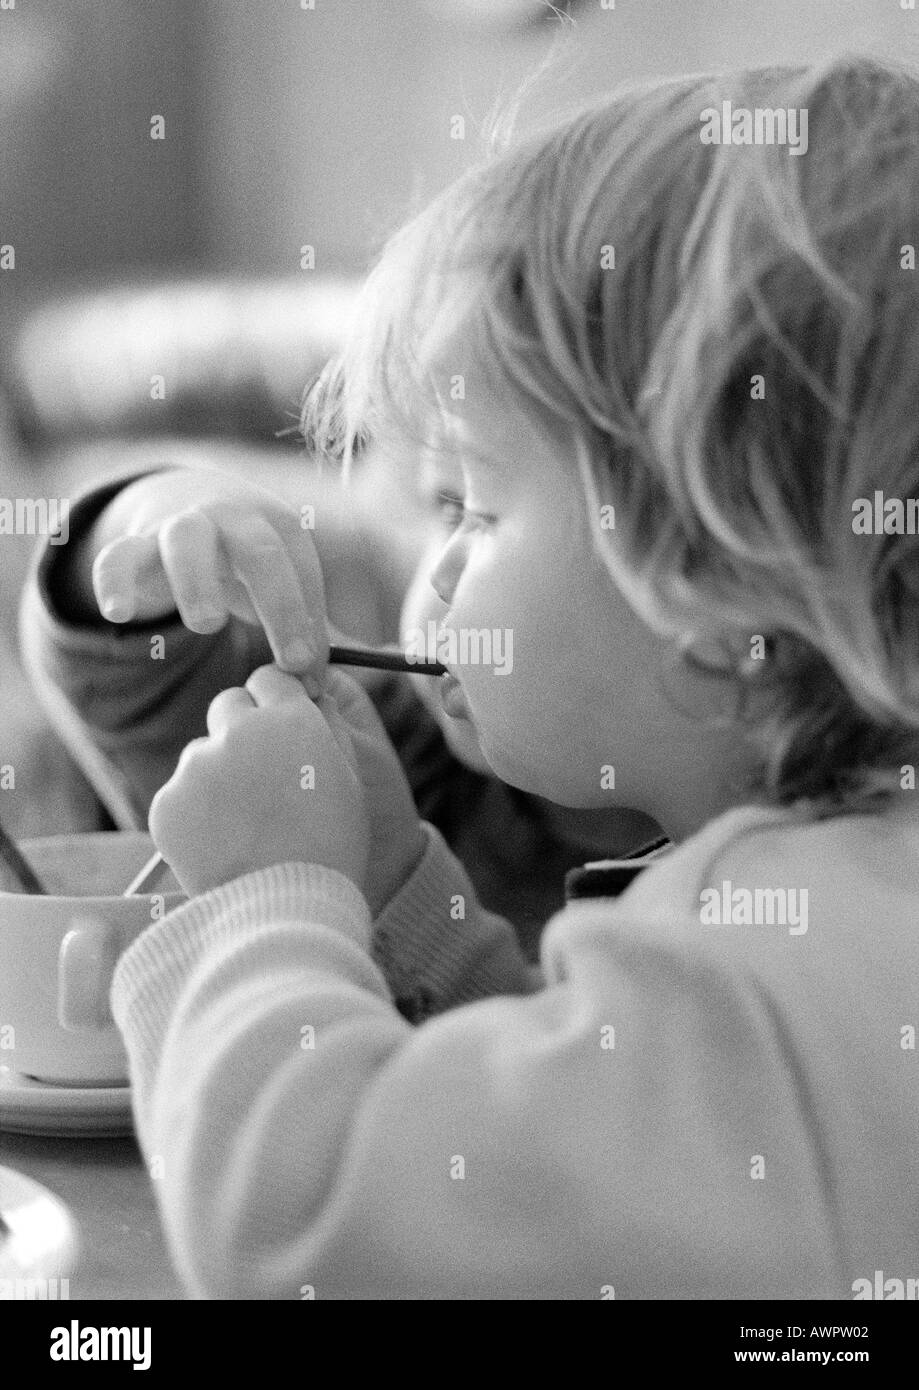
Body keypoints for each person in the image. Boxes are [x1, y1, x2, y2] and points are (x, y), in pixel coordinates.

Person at [20, 54, 919, 1298]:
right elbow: (550, 1147)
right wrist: (390, 887)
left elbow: (315, 1237)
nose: (427, 571)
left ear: (708, 574)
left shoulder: (757, 990)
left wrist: (263, 897)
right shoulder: (835, 910)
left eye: (471, 506)